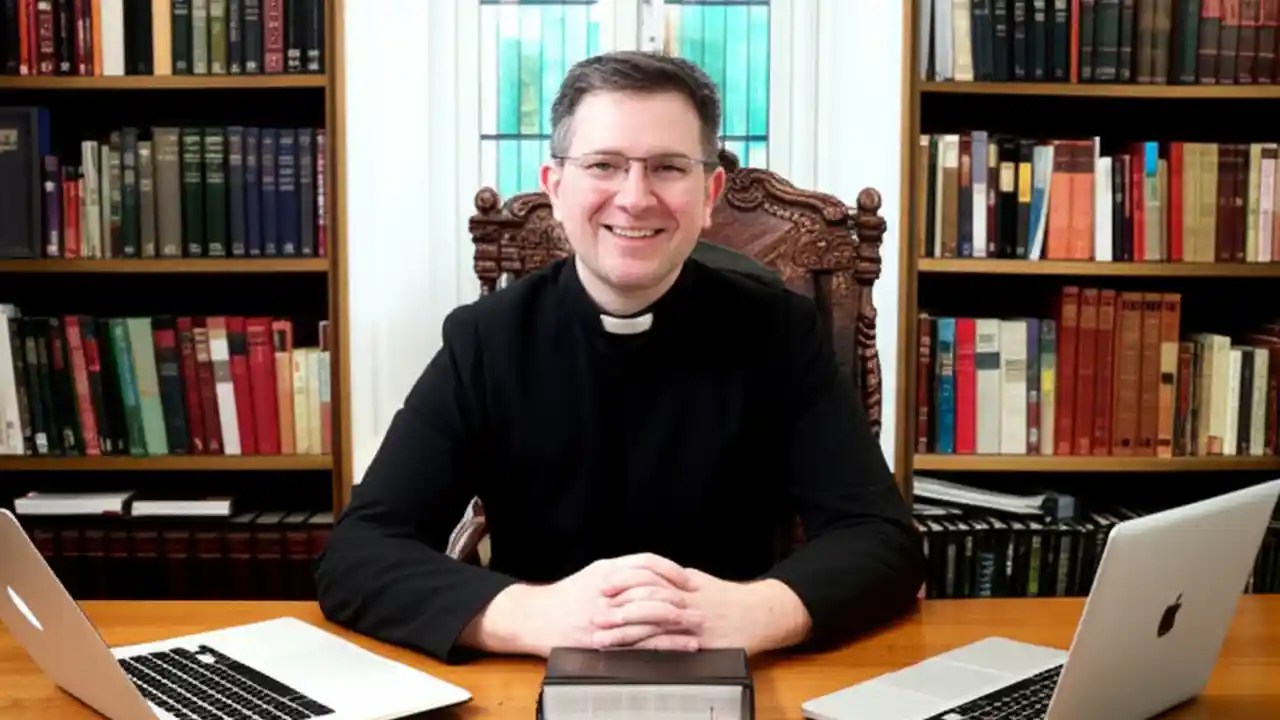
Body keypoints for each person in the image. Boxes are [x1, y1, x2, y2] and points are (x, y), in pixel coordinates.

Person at [314, 50, 925, 664]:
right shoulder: (486, 341)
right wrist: (523, 613)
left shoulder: (781, 332)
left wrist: (756, 611)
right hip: (534, 672)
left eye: (667, 167)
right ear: (557, 188)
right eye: (603, 164)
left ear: (709, 192)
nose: (634, 198)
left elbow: (881, 539)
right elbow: (360, 551)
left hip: (731, 665)